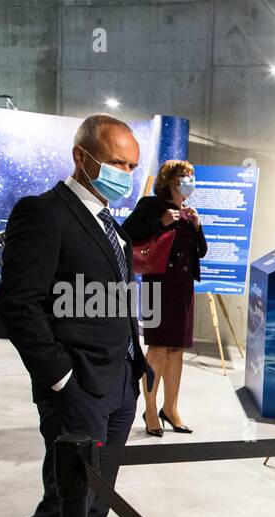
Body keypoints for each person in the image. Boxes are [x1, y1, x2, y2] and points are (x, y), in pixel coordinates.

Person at [0, 113, 152, 517]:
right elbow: (19, 304)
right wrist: (60, 377)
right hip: (76, 390)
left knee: (94, 506)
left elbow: (112, 300)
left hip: (119, 385)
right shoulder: (44, 213)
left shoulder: (113, 224)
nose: (125, 175)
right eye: (116, 164)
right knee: (64, 503)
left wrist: (137, 362)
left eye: (133, 167)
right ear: (82, 158)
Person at [122, 160, 207, 436]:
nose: (189, 181)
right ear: (170, 180)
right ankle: (149, 409)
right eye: (185, 176)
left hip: (183, 289)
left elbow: (201, 252)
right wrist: (161, 222)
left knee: (177, 350)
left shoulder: (187, 211)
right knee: (157, 349)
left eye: (192, 176)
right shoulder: (152, 205)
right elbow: (127, 233)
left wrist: (197, 226)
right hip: (157, 287)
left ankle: (170, 408)